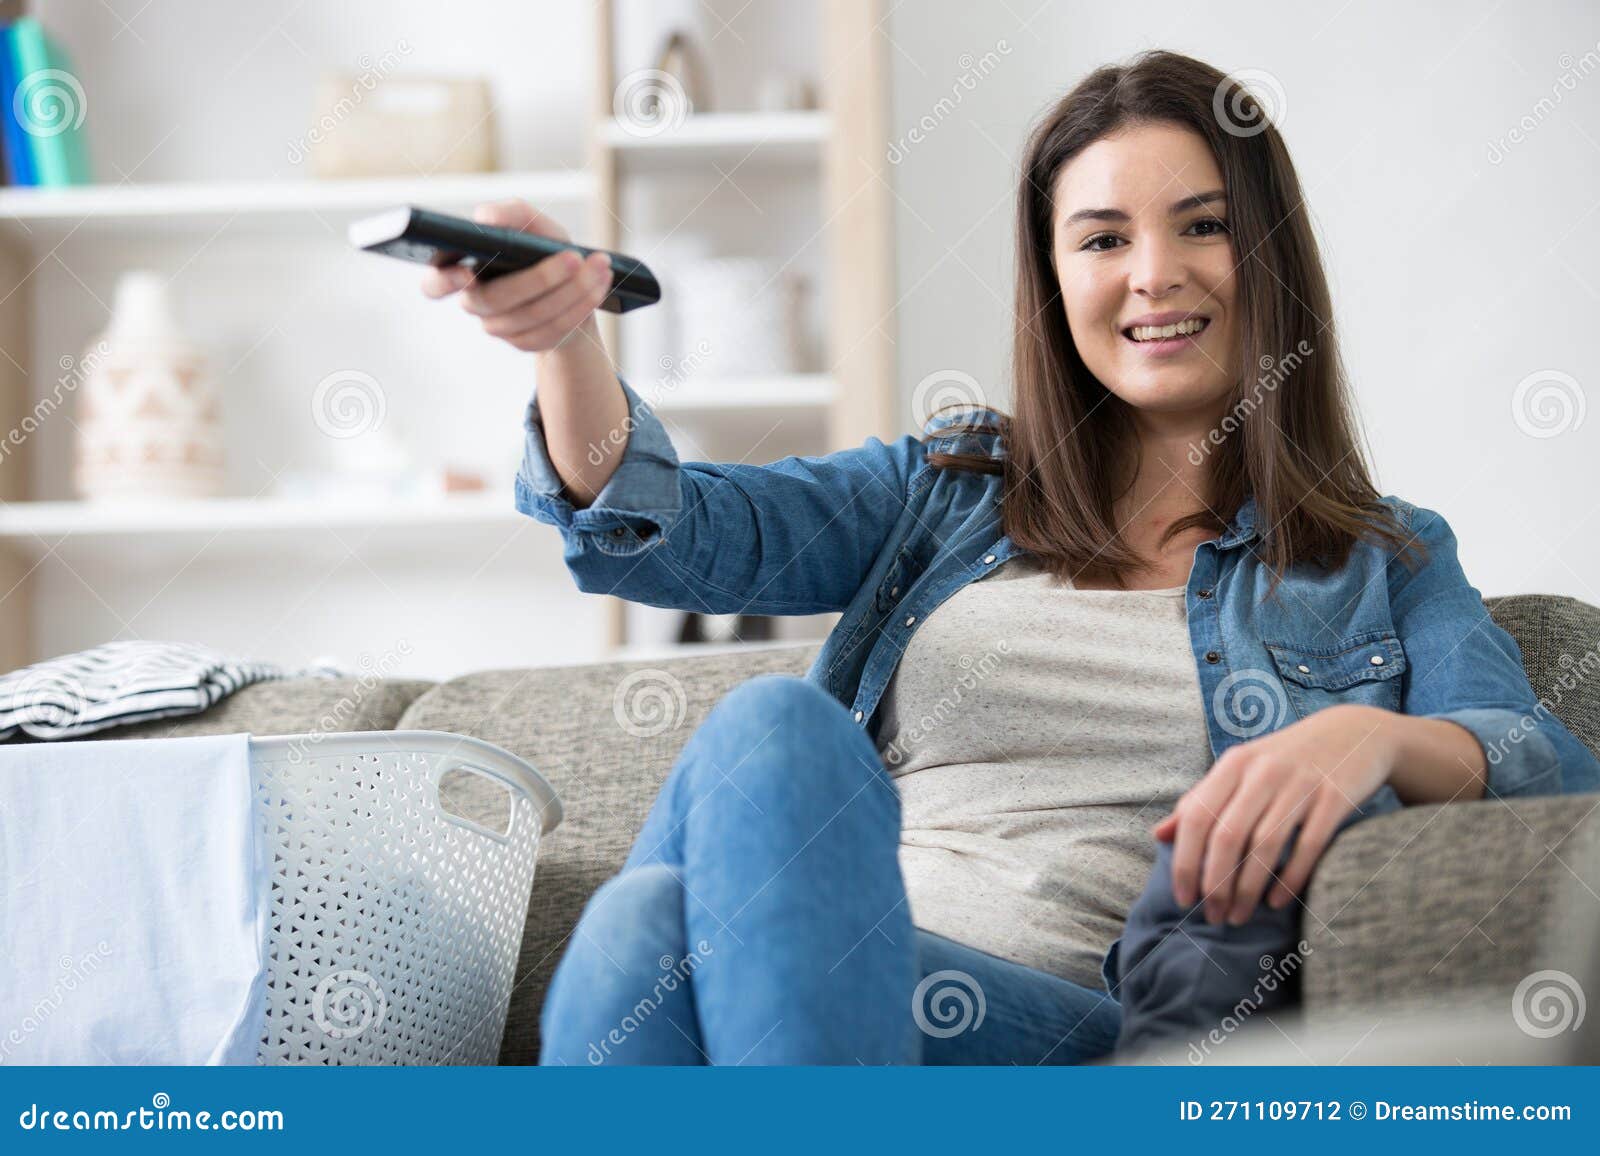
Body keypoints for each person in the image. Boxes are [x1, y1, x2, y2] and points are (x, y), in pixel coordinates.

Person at [422, 49, 1600, 1065]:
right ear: (1055, 279)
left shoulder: (1375, 557)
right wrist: (566, 336)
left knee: (699, 846)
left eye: (1203, 225)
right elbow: (675, 535)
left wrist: (1371, 733)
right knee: (660, 904)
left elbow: (1544, 769)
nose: (1153, 273)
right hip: (801, 995)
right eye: (1102, 238)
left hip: (1049, 1037)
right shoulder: (946, 491)